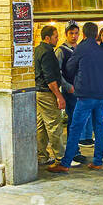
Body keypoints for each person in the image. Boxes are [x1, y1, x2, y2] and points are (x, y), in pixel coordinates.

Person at [53, 22, 103, 173]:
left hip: (85, 96)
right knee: (99, 128)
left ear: (84, 34)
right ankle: (98, 161)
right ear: (97, 35)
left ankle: (65, 163)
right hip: (101, 96)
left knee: (75, 128)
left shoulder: (81, 49)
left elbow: (69, 68)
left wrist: (77, 79)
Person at [34, 25, 66, 166]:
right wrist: (59, 96)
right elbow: (50, 79)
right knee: (54, 126)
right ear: (47, 38)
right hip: (47, 94)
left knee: (41, 125)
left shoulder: (37, 50)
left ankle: (41, 156)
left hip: (38, 93)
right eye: (55, 36)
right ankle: (60, 158)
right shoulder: (47, 53)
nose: (57, 39)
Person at [57, 21, 81, 144]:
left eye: (76, 33)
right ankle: (72, 150)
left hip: (81, 90)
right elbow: (57, 72)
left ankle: (76, 147)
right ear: (66, 34)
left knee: (79, 121)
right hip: (70, 90)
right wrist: (67, 86)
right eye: (71, 33)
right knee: (73, 120)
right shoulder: (61, 51)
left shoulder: (80, 49)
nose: (74, 36)